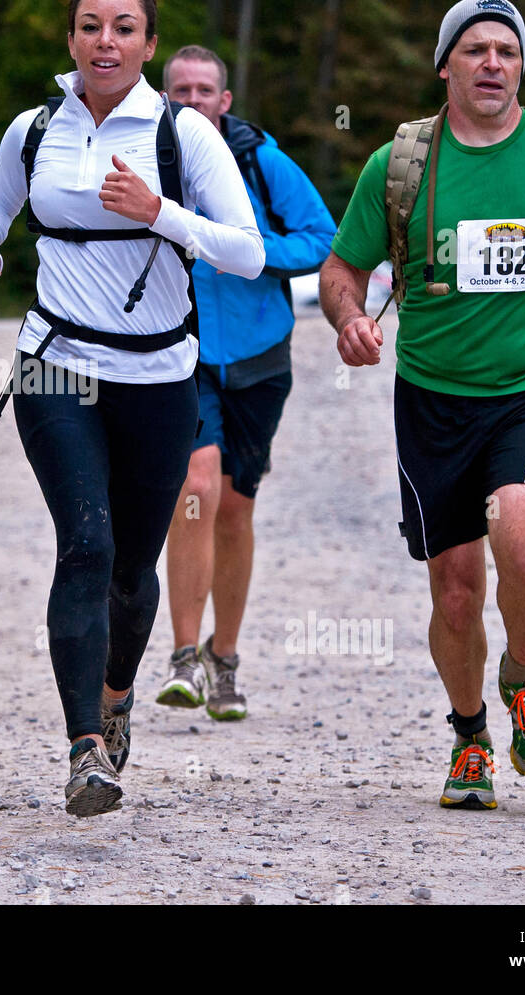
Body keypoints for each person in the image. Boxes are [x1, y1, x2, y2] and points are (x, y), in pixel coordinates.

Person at [319, 0, 525, 810]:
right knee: (455, 592)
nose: (494, 63)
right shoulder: (401, 164)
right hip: (430, 400)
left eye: (507, 50)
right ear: (445, 65)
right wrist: (350, 318)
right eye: (476, 50)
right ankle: (469, 737)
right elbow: (341, 268)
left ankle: (521, 674)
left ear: (521, 65)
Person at [0, 0, 264, 817]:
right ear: (70, 42)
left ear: (148, 45)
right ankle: (84, 748)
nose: (105, 42)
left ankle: (118, 692)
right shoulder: (36, 129)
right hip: (54, 362)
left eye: (123, 28)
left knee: (133, 569)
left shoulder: (183, 133)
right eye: (89, 26)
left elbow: (246, 252)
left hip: (158, 377)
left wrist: (160, 210)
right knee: (85, 546)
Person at [157, 46, 335, 721]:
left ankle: (222, 658)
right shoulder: (148, 156)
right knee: (196, 488)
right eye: (182, 90)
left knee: (234, 508)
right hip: (186, 351)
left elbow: (323, 235)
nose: (194, 100)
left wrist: (257, 256)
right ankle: (181, 657)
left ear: (225, 101)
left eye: (206, 89)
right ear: (165, 96)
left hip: (261, 356)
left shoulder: (260, 159)